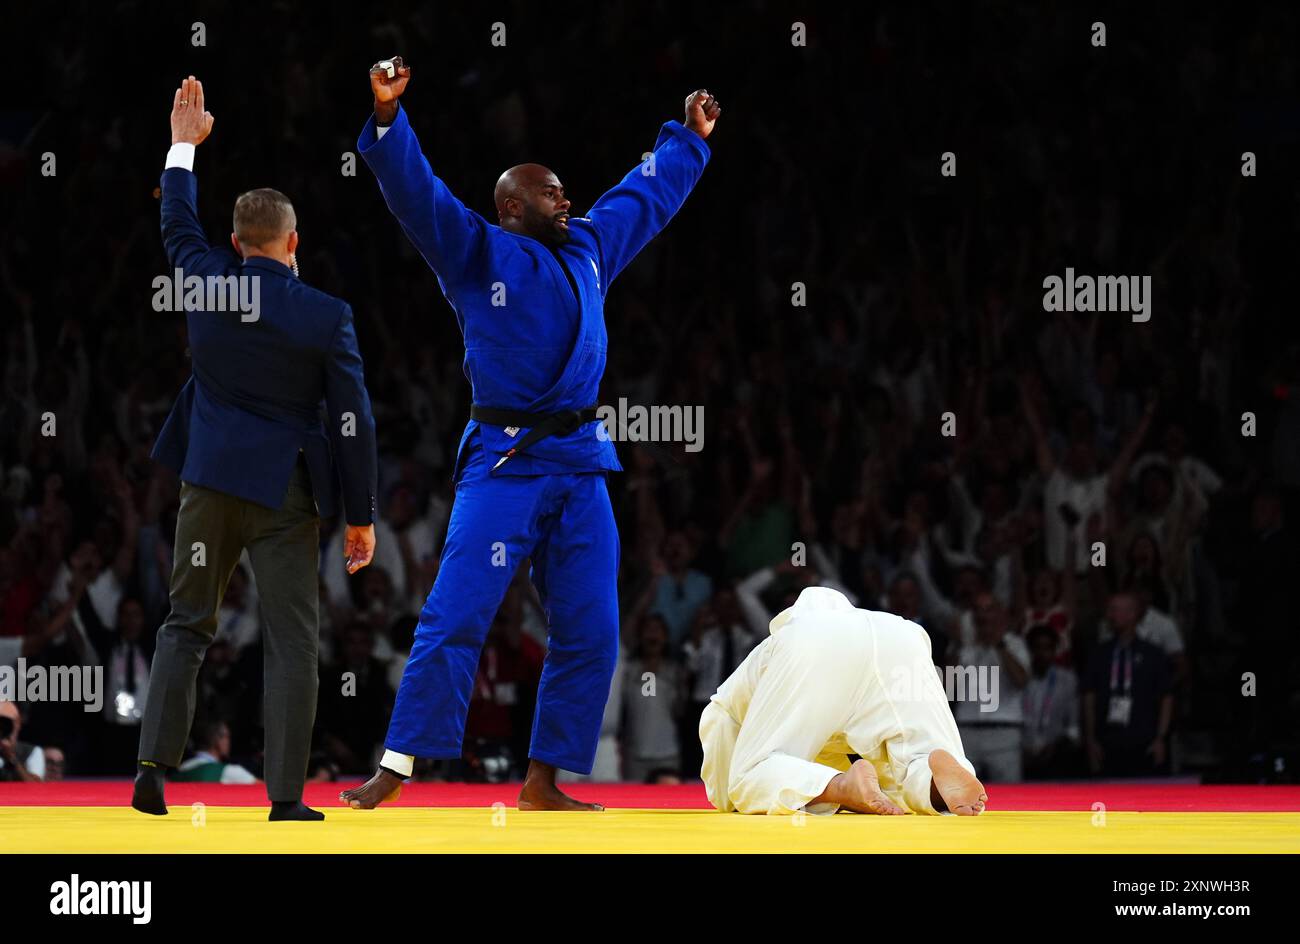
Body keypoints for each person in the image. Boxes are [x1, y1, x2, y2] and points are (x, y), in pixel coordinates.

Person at [342, 58, 718, 811]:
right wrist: (387, 120)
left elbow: (640, 198)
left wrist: (688, 138)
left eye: (564, 190)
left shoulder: (588, 247)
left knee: (593, 628)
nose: (566, 198)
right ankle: (397, 763)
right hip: (506, 460)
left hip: (579, 461)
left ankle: (543, 781)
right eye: (549, 191)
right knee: (458, 612)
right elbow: (418, 197)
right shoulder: (477, 252)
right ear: (511, 206)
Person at [133, 76, 379, 822]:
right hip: (285, 496)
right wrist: (361, 515)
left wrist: (183, 143)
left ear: (235, 244)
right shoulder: (325, 315)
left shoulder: (206, 282)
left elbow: (177, 222)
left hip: (208, 482)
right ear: (293, 243)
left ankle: (150, 774)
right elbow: (353, 420)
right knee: (293, 643)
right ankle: (283, 797)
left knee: (186, 623)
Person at [700, 587, 986, 816]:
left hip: (814, 645)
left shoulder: (783, 643)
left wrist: (729, 793)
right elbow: (878, 776)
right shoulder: (874, 626)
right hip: (902, 637)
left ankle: (839, 785)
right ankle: (935, 785)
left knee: (748, 775)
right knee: (918, 755)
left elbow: (718, 720)